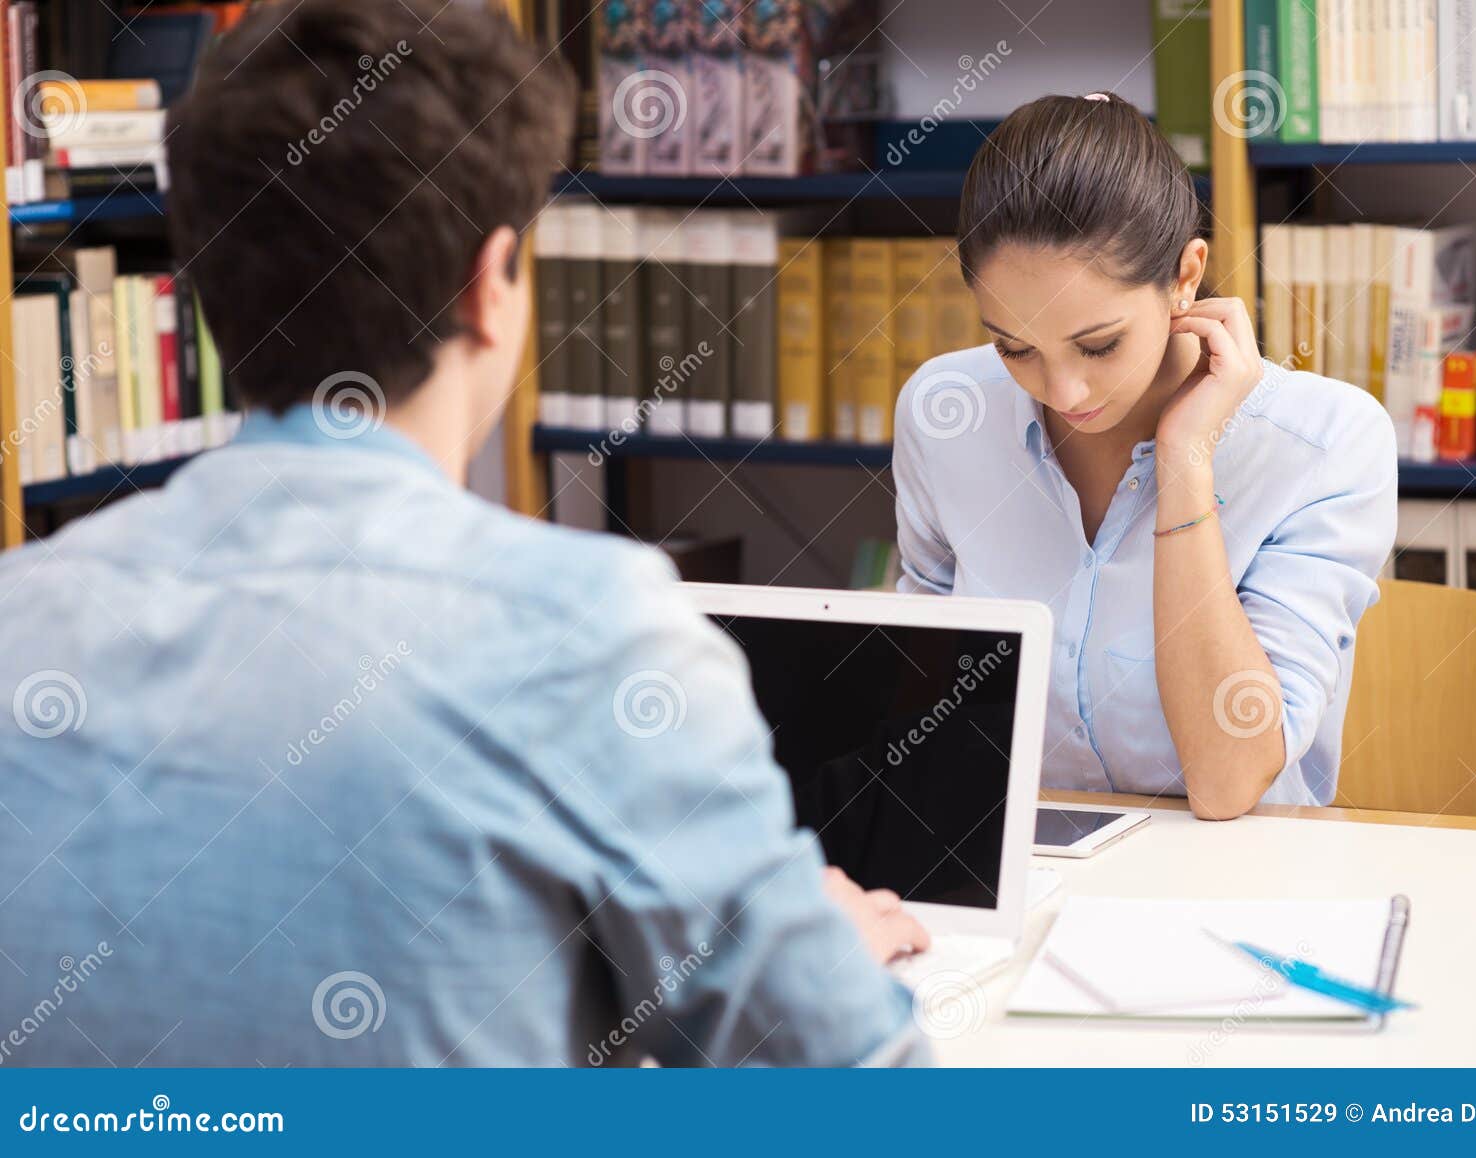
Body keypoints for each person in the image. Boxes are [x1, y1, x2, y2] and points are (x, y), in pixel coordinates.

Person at [0, 0, 928, 1067]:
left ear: (203, 295)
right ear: (492, 287)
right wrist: (818, 965)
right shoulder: (591, 634)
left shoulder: (21, 614)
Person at [893, 92, 1398, 820]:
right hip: (1013, 863)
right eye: (1014, 346)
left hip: (1229, 882)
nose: (1064, 390)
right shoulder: (946, 412)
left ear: (1186, 275)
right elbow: (922, 697)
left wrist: (1185, 459)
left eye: (1100, 344)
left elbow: (1227, 780)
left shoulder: (1326, 444)